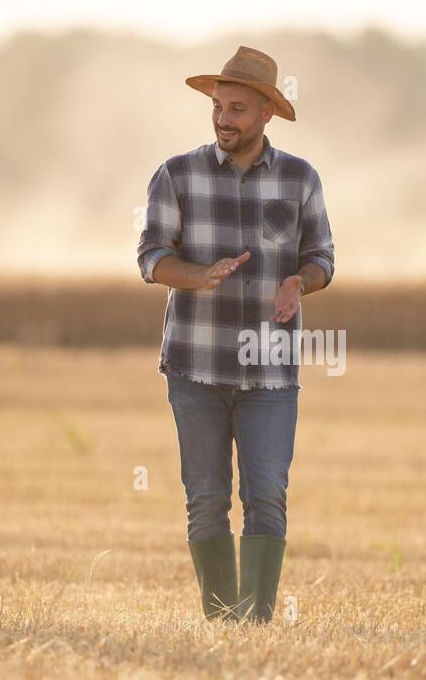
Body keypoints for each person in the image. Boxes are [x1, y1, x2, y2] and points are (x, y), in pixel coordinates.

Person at [137, 46, 335, 623]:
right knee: (206, 501)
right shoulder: (176, 174)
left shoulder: (301, 178)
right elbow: (150, 257)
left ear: (267, 112)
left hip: (271, 370)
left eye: (238, 109)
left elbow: (322, 255)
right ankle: (223, 623)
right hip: (195, 367)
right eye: (219, 107)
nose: (225, 119)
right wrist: (198, 276)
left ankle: (257, 623)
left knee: (267, 495)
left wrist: (302, 280)